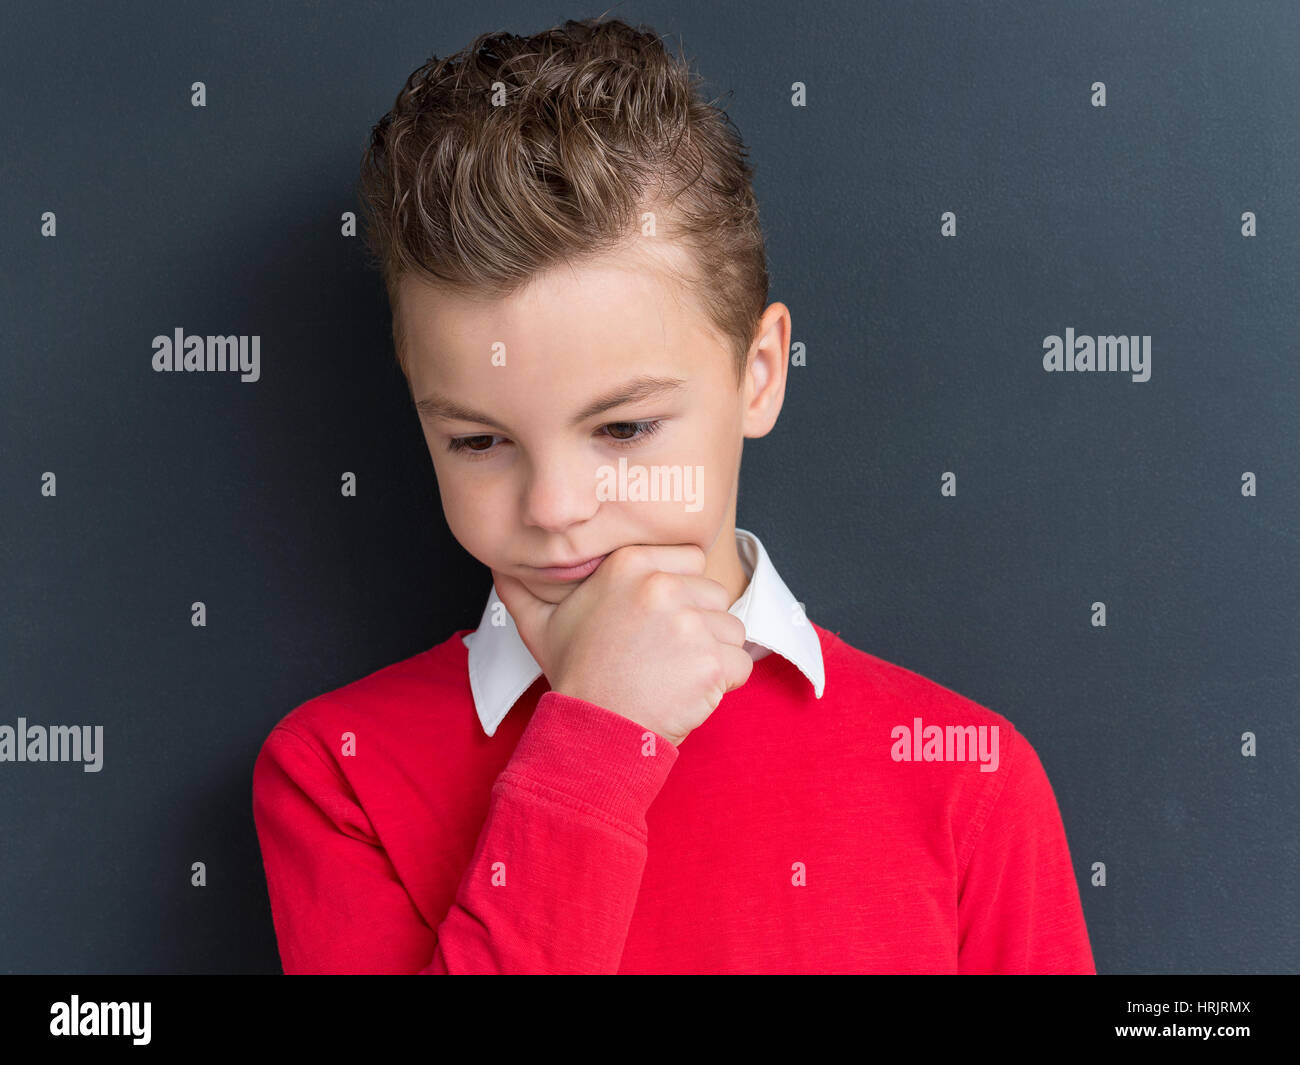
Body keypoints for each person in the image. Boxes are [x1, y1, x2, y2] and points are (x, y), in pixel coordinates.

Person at [251, 15, 1095, 974]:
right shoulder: (339, 771)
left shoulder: (963, 777)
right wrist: (595, 742)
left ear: (759, 373)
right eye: (479, 440)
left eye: (623, 429)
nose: (556, 506)